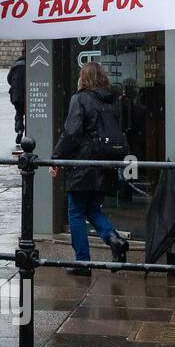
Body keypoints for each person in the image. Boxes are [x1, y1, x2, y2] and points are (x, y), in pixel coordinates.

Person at [50, 61, 130, 275]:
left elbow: (71, 133)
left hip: (83, 164)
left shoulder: (80, 99)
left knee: (75, 212)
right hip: (104, 164)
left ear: (84, 78)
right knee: (93, 208)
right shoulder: (113, 100)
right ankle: (114, 239)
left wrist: (56, 158)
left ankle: (82, 262)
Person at [7, 52, 26, 147]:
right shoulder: (30, 65)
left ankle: (19, 130)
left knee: (19, 114)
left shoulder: (15, 66)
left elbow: (9, 79)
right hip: (28, 95)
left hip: (17, 96)